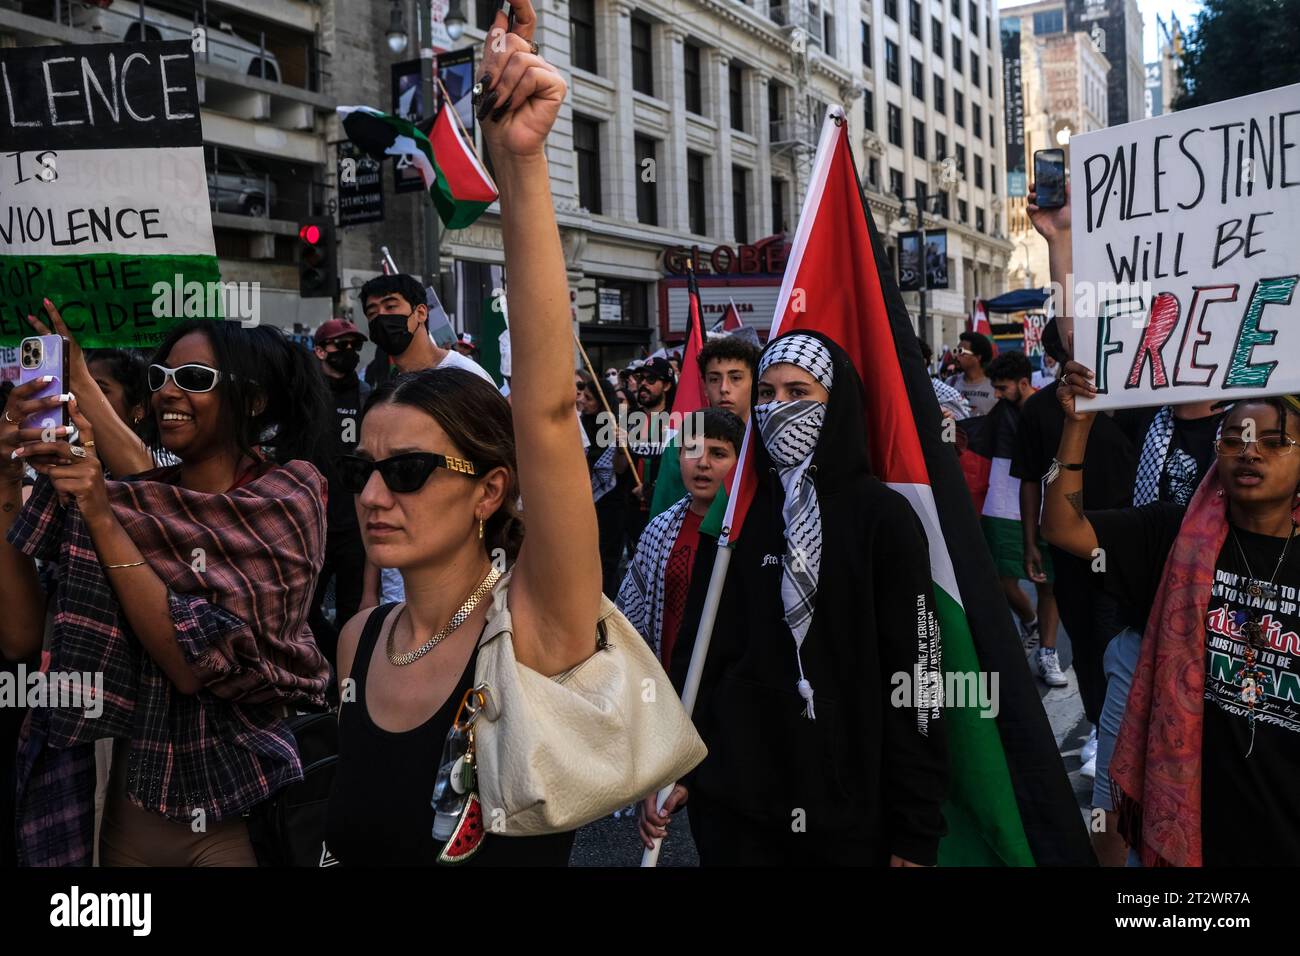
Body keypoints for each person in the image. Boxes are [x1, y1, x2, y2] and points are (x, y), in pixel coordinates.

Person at [324, 10, 603, 865]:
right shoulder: (358, 642)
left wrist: (520, 163)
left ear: (490, 488)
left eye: (406, 471)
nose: (374, 496)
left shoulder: (537, 634)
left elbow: (549, 414)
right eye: (364, 470)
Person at [0, 316, 331, 867]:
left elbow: (193, 662)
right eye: (160, 376)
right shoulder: (133, 500)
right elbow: (18, 639)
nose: (167, 392)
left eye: (195, 377)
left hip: (235, 822)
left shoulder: (288, 498)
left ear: (251, 400)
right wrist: (7, 479)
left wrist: (102, 516)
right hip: (120, 814)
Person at [641, 330, 948, 865]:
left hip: (846, 809)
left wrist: (916, 825)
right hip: (737, 803)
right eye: (766, 394)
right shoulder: (738, 514)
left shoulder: (883, 519)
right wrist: (678, 765)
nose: (776, 408)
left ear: (838, 405)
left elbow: (918, 672)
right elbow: (701, 652)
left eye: (798, 393)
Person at [1042, 366, 1300, 867]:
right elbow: (1060, 525)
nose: (1250, 452)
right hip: (1198, 795)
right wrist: (1076, 427)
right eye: (1234, 440)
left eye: (1275, 443)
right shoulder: (1173, 534)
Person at [617, 408, 742, 669]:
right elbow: (630, 617)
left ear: (739, 463)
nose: (703, 463)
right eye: (692, 450)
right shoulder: (658, 530)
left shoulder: (750, 532)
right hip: (663, 678)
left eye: (718, 453)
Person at [984, 352, 1064, 686]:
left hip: (1047, 503)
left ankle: (1048, 653)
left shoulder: (1052, 408)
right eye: (994, 388)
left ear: (1023, 383)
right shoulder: (998, 413)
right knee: (1002, 578)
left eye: (1002, 388)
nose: (998, 395)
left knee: (1048, 584)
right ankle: (1029, 620)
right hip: (1003, 503)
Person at [310, 319, 371, 671]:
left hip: (354, 523)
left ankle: (348, 685)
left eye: (354, 345)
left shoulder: (365, 396)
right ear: (320, 351)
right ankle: (327, 666)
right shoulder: (306, 395)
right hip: (312, 524)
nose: (348, 352)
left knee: (353, 610)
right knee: (304, 610)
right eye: (339, 345)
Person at [359, 272, 494, 384]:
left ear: (421, 313)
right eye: (372, 313)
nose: (381, 316)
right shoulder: (391, 384)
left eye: (391, 307)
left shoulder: (464, 374)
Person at [578, 369, 630, 598]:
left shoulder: (617, 427)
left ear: (602, 403)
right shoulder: (579, 424)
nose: (581, 400)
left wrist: (620, 446)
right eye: (582, 395)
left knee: (607, 561)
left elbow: (619, 468)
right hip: (585, 503)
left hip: (611, 505)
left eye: (588, 398)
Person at [625, 357, 675, 556]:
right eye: (641, 378)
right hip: (632, 514)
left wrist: (650, 490)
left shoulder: (678, 421)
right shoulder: (628, 419)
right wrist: (621, 449)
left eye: (651, 379)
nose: (643, 384)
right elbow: (619, 468)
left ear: (667, 385)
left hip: (663, 511)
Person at [697, 335, 759, 422]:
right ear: (705, 387)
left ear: (755, 383)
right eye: (714, 379)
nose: (723, 389)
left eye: (736, 378)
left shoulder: (770, 434)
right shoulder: (692, 434)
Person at [946, 331, 997, 416]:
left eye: (961, 352)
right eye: (956, 351)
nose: (956, 356)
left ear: (978, 357)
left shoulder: (995, 386)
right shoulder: (951, 383)